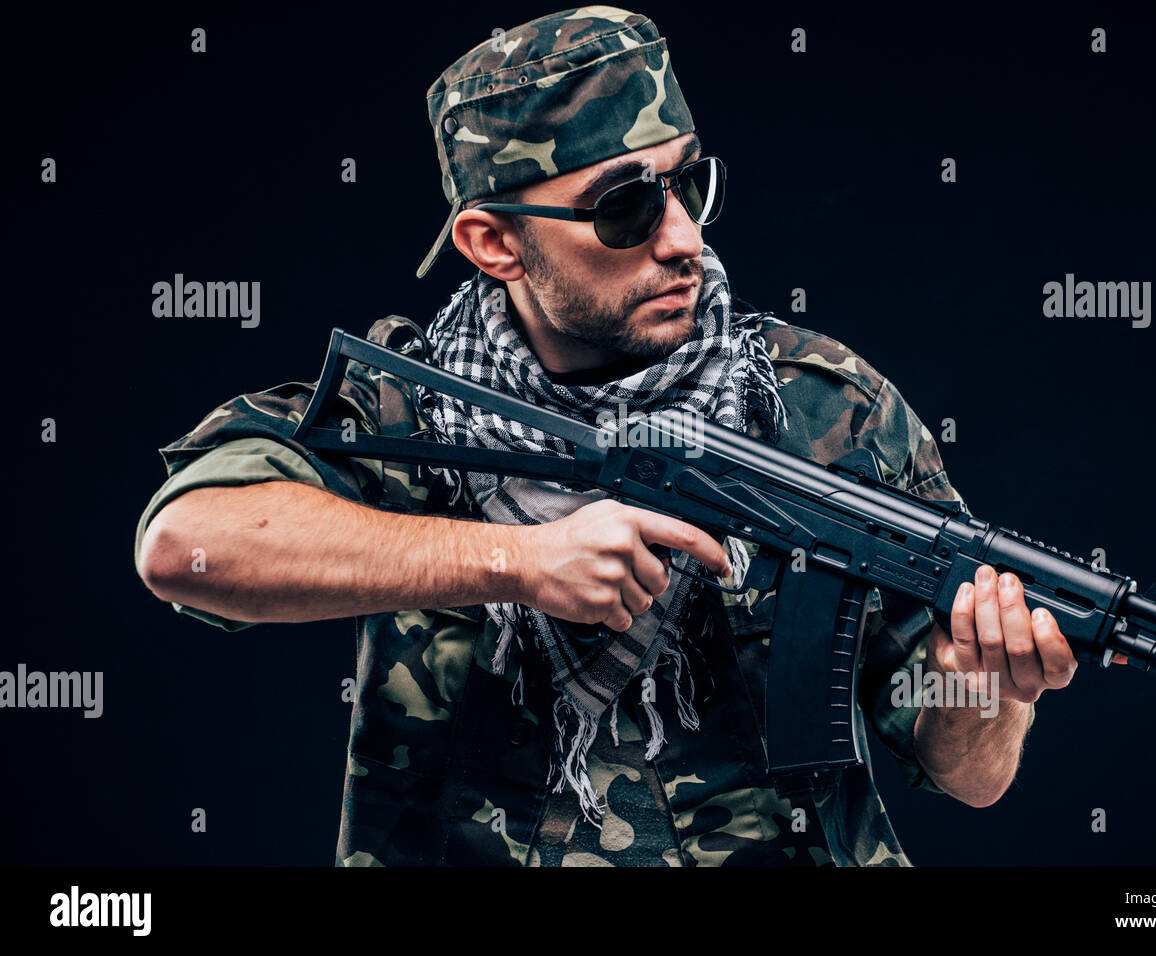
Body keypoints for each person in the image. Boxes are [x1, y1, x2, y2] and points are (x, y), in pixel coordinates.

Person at [133, 6, 1077, 866]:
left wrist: (985, 684)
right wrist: (516, 560)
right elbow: (187, 545)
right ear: (493, 243)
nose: (683, 241)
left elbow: (973, 775)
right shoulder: (407, 414)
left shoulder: (826, 408)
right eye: (622, 206)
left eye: (688, 185)